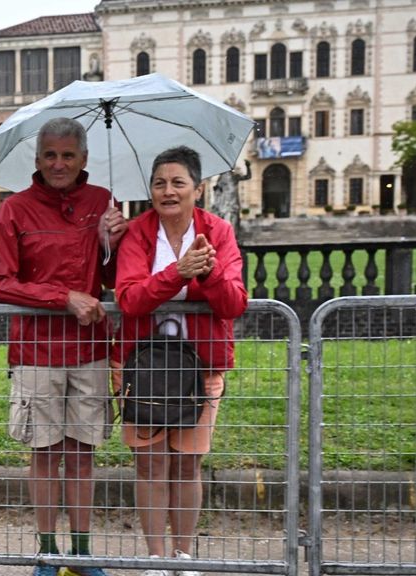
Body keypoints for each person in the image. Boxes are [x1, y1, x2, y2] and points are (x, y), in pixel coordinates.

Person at [0, 117, 128, 576]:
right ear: (37, 159)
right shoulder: (16, 210)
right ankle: (48, 553)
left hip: (88, 349)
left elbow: (115, 280)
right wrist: (62, 298)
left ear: (84, 159)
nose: (59, 164)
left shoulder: (102, 203)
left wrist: (114, 245)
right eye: (50, 155)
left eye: (68, 155)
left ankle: (81, 554)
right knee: (44, 452)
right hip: (37, 352)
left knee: (83, 453)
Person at [111, 146, 247, 576]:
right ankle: (154, 557)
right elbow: (130, 299)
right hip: (142, 364)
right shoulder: (137, 233)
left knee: (188, 463)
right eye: (159, 183)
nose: (167, 191)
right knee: (149, 462)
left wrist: (206, 272)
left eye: (177, 182)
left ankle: (183, 555)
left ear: (198, 188)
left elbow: (233, 303)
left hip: (200, 366)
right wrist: (178, 272)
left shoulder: (218, 232)